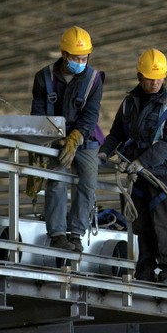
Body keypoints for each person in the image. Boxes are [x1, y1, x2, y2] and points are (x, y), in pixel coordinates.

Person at [99, 48, 167, 286]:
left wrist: (142, 162)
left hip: (161, 173)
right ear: (140, 77)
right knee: (141, 224)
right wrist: (105, 152)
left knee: (162, 225)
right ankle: (145, 271)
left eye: (159, 77)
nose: (155, 82)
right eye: (150, 77)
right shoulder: (129, 104)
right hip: (136, 173)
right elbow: (117, 132)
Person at [30, 25, 104, 252]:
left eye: (85, 57)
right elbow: (39, 114)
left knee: (89, 180)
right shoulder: (44, 78)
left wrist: (75, 138)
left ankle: (77, 233)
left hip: (84, 137)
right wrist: (57, 139)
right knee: (56, 179)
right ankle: (58, 234)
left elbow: (91, 114)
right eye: (76, 57)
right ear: (64, 55)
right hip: (54, 136)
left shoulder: (93, 79)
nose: (81, 62)